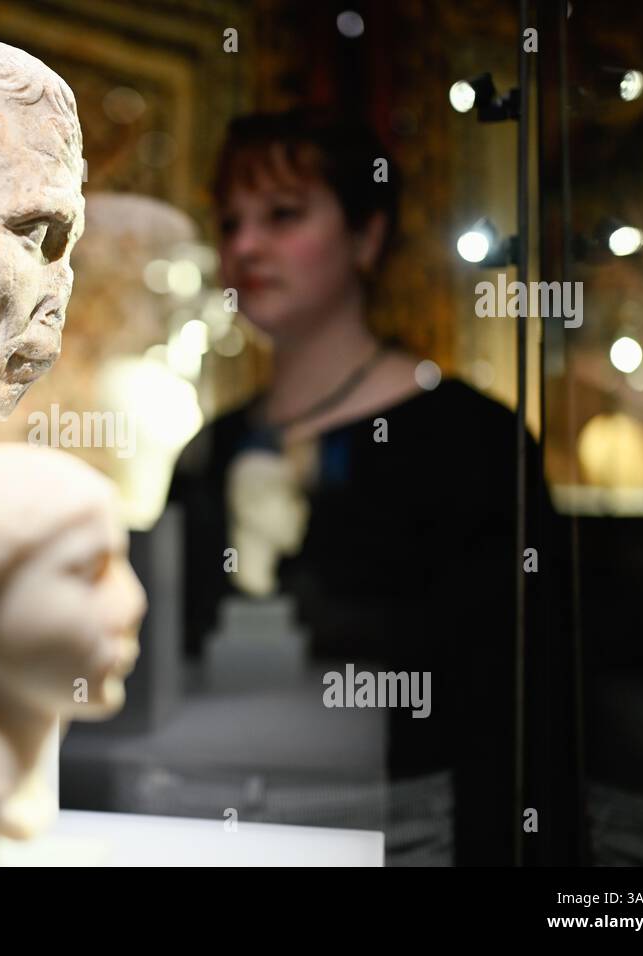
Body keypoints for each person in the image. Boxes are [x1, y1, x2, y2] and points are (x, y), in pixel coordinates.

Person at [169, 109, 573, 866]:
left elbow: (519, 706)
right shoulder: (210, 450)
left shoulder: (471, 440)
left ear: (367, 235)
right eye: (230, 222)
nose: (245, 246)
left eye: (283, 215)